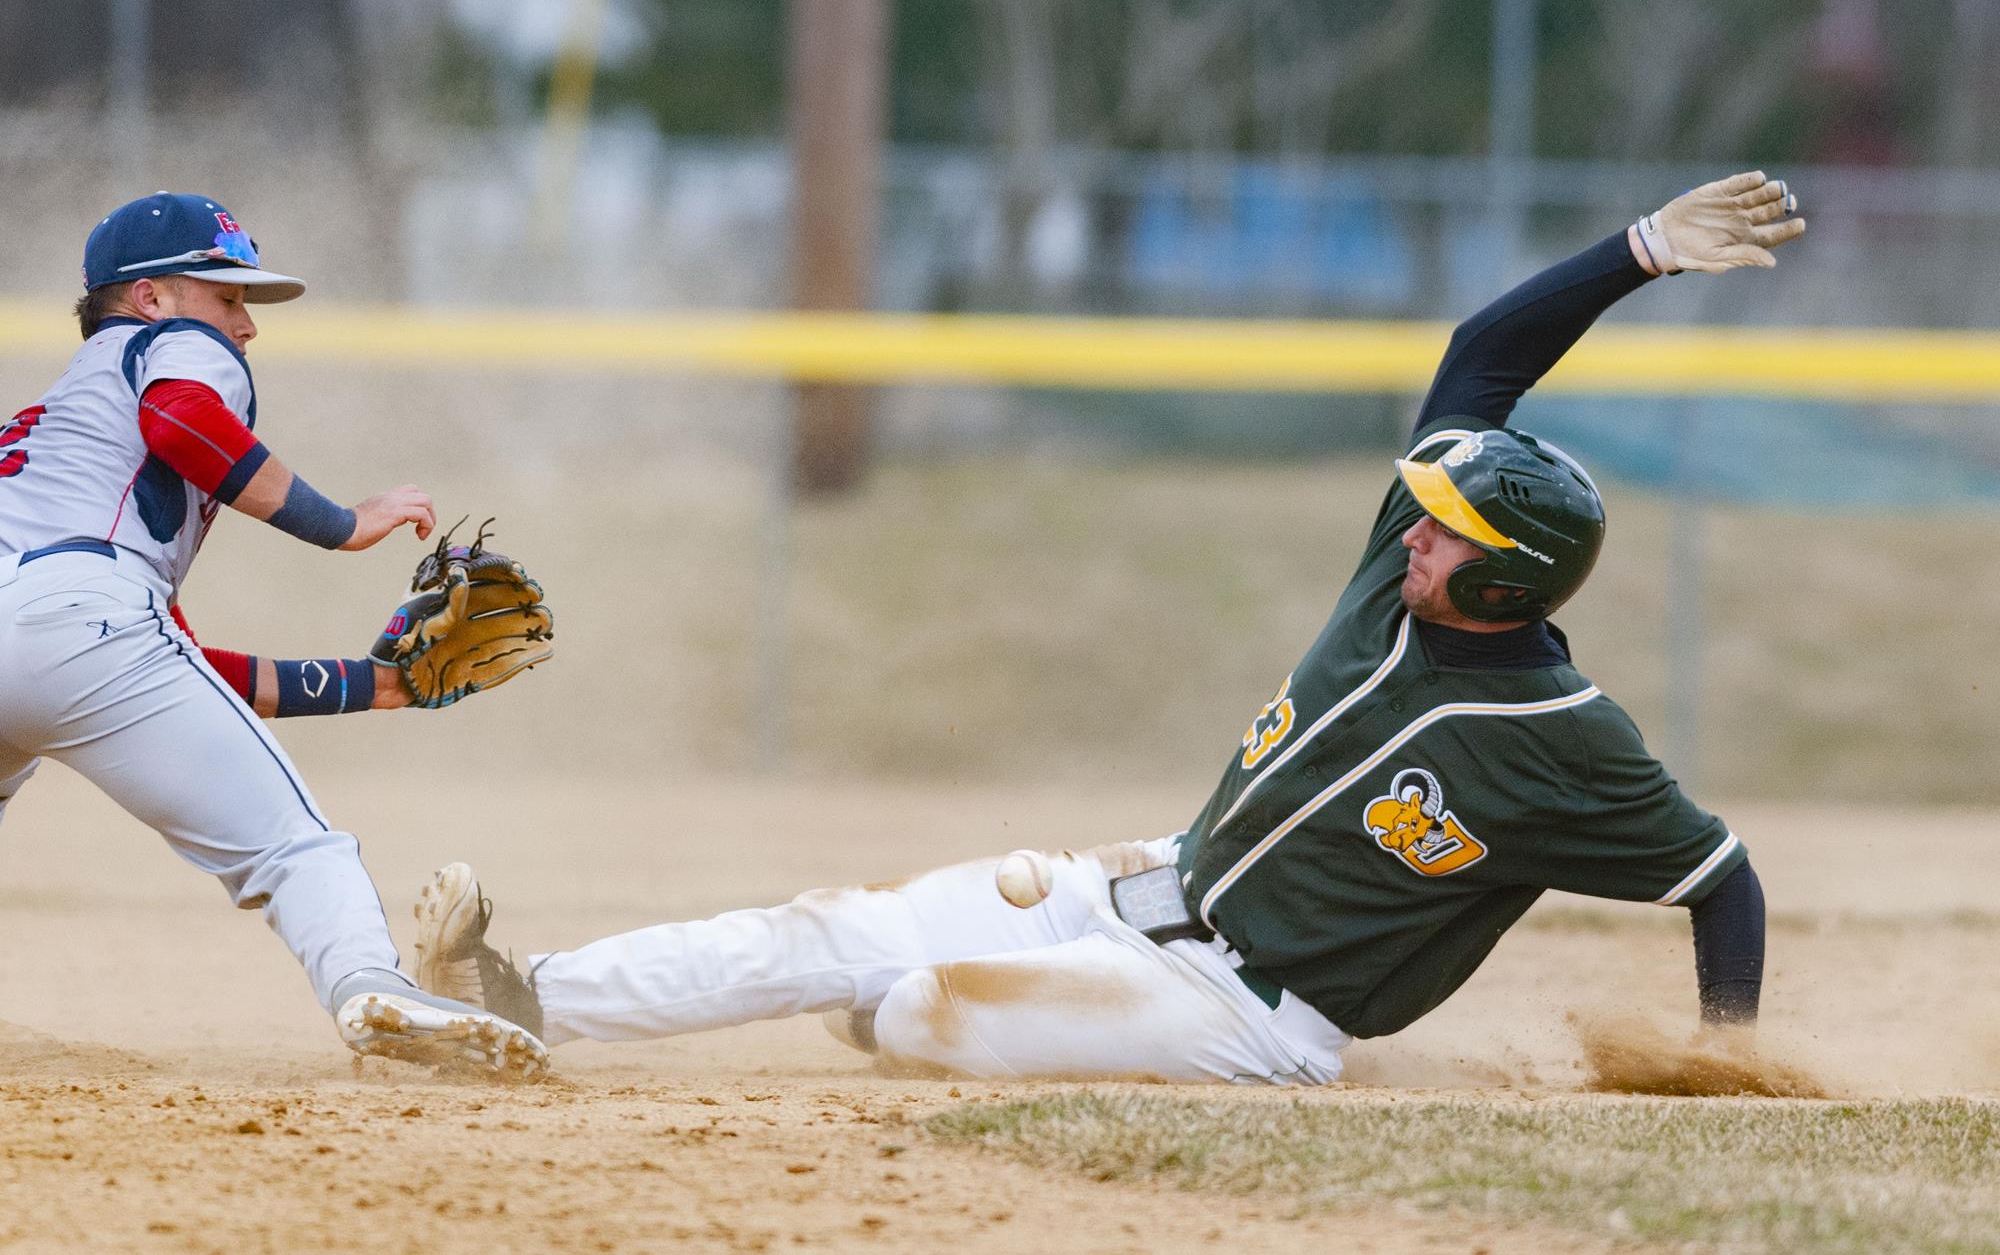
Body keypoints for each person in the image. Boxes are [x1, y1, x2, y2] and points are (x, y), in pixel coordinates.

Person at [414, 172, 1803, 1084]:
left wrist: (1724, 1055)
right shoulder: (1407, 570)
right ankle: (519, 997)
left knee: (907, 1008)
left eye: (1448, 531)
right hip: (1139, 884)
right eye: (1425, 514)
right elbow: (1482, 359)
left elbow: (1721, 873)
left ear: (1508, 584)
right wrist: (1636, 254)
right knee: (827, 930)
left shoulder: (1569, 742)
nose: (1415, 526)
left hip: (1250, 1020)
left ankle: (932, 994)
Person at [0, 192, 546, 1078]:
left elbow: (158, 672)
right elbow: (180, 419)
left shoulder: (48, 438)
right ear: (150, 297)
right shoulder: (161, 347)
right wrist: (344, 523)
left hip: (64, 628)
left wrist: (374, 684)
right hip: (84, 619)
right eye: (228, 297)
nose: (244, 327)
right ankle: (372, 984)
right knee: (298, 850)